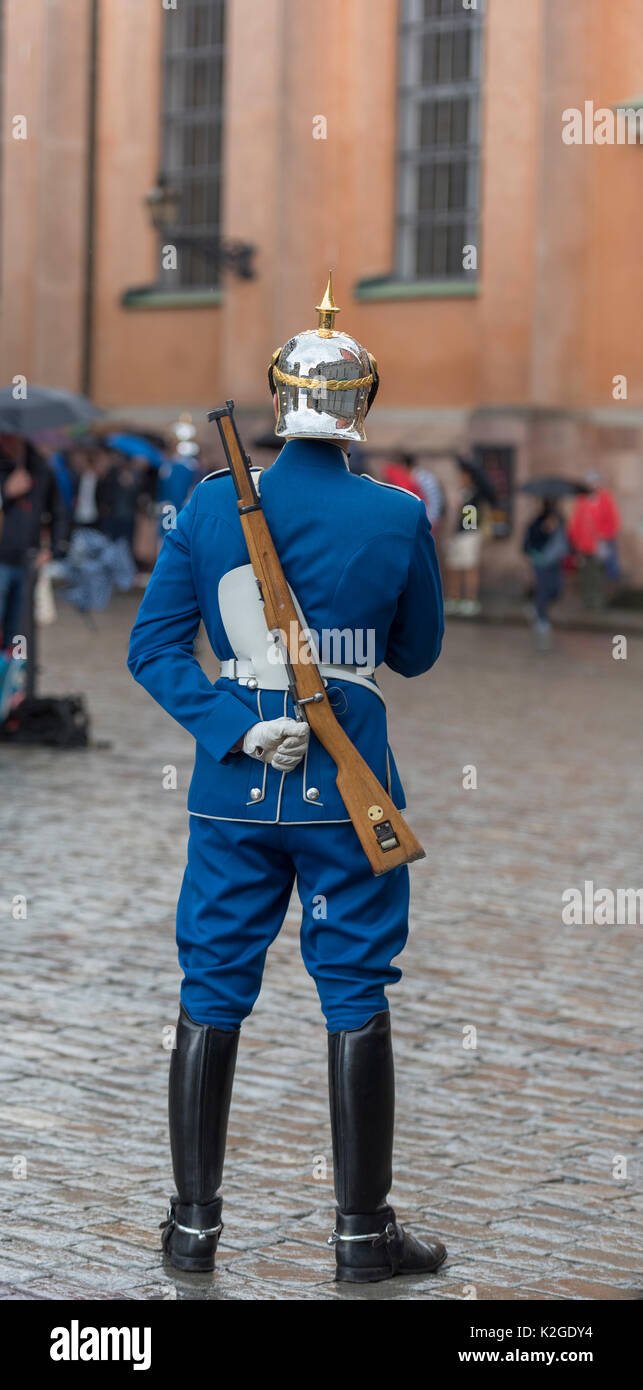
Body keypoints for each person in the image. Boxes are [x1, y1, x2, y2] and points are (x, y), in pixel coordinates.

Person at [127, 274, 447, 1284]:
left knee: (211, 985)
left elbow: (155, 650)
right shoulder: (395, 515)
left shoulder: (212, 503)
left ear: (277, 402)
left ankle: (191, 1227)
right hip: (347, 785)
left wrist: (233, 721)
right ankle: (361, 1237)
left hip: (232, 786)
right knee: (353, 987)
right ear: (361, 408)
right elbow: (420, 650)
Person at [0, 434, 67, 718]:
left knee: (19, 634)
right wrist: (6, 491)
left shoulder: (39, 466)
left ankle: (12, 696)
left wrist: (54, 548)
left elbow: (59, 510)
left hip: (26, 561)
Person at [445, 456, 495, 617]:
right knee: (454, 566)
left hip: (469, 534)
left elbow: (470, 520)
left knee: (469, 567)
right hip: (459, 534)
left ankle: (470, 600)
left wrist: (464, 507)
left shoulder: (475, 493)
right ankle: (455, 598)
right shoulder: (464, 493)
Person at [567, 473, 621, 609]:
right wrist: (574, 540)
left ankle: (598, 603)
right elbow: (576, 522)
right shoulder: (582, 500)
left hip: (599, 544)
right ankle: (588, 602)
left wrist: (603, 534)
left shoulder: (605, 499)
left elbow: (613, 522)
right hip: (584, 545)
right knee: (586, 575)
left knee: (598, 575)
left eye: (595, 483)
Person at [523, 499, 568, 649]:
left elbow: (565, 540)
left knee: (555, 588)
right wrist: (544, 529)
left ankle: (539, 610)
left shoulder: (560, 520)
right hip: (541, 559)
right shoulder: (537, 521)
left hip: (555, 560)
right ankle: (541, 618)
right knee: (542, 588)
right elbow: (532, 538)